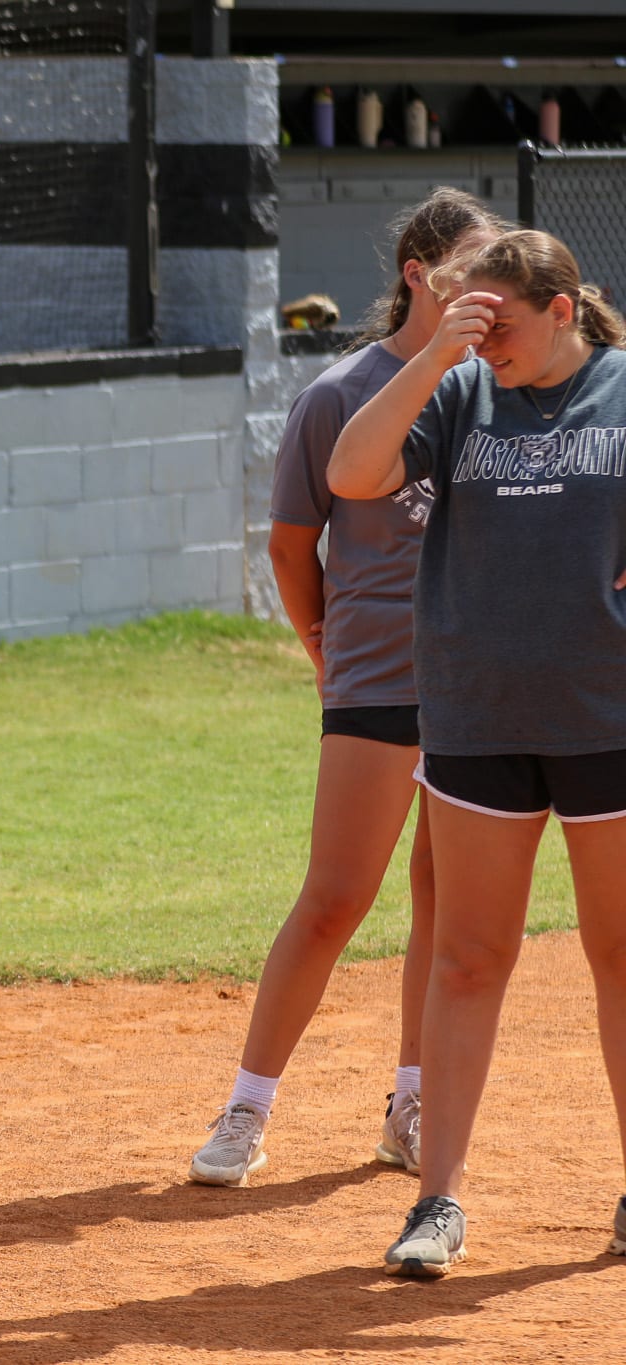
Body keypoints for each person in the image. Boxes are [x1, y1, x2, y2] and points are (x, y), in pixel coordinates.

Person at [327, 228, 626, 1275]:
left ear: (560, 309)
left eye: (498, 321)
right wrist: (433, 356)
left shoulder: (621, 390)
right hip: (475, 715)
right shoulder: (456, 394)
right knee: (465, 959)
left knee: (619, 957)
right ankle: (435, 1201)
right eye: (470, 318)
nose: (483, 338)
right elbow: (351, 472)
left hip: (608, 720)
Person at [189, 190, 500, 1187]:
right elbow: (290, 546)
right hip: (374, 674)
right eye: (469, 263)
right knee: (332, 900)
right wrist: (322, 643)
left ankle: (409, 1107)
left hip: (474, 681)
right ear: (416, 270)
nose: (484, 285)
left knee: (442, 901)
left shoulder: (498, 388)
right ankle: (244, 1109)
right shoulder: (339, 392)